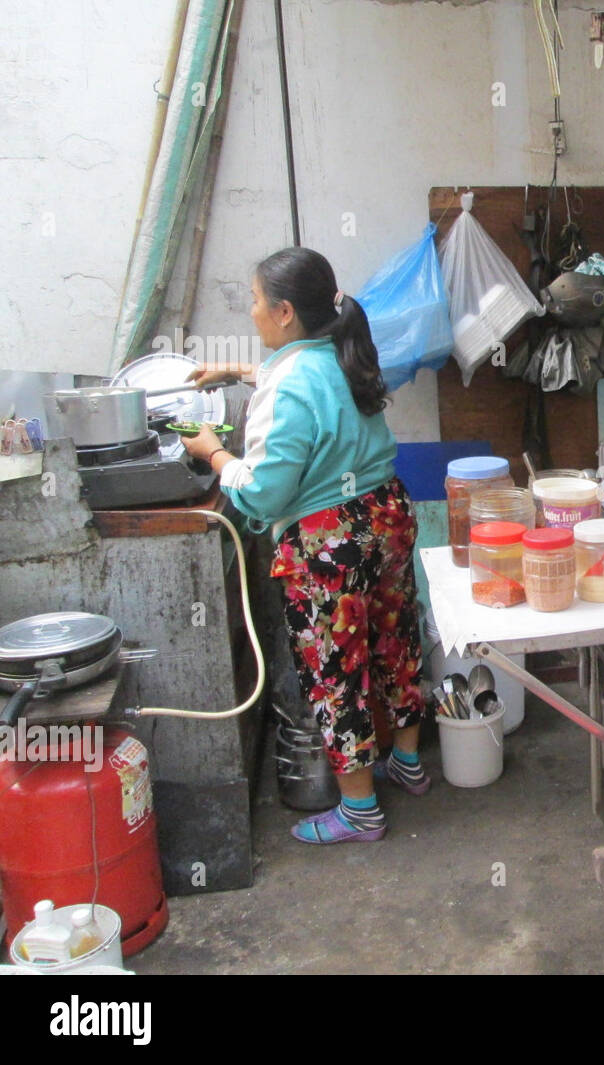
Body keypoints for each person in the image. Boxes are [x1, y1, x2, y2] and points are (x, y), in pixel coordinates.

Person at [182, 247, 427, 844]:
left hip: (330, 543)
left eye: (257, 301)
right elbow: (303, 379)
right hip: (386, 515)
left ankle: (360, 811)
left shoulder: (288, 384)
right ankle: (411, 764)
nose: (252, 311)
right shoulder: (342, 352)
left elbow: (262, 497)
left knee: (337, 670)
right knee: (395, 638)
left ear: (285, 311)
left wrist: (213, 452)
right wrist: (236, 371)